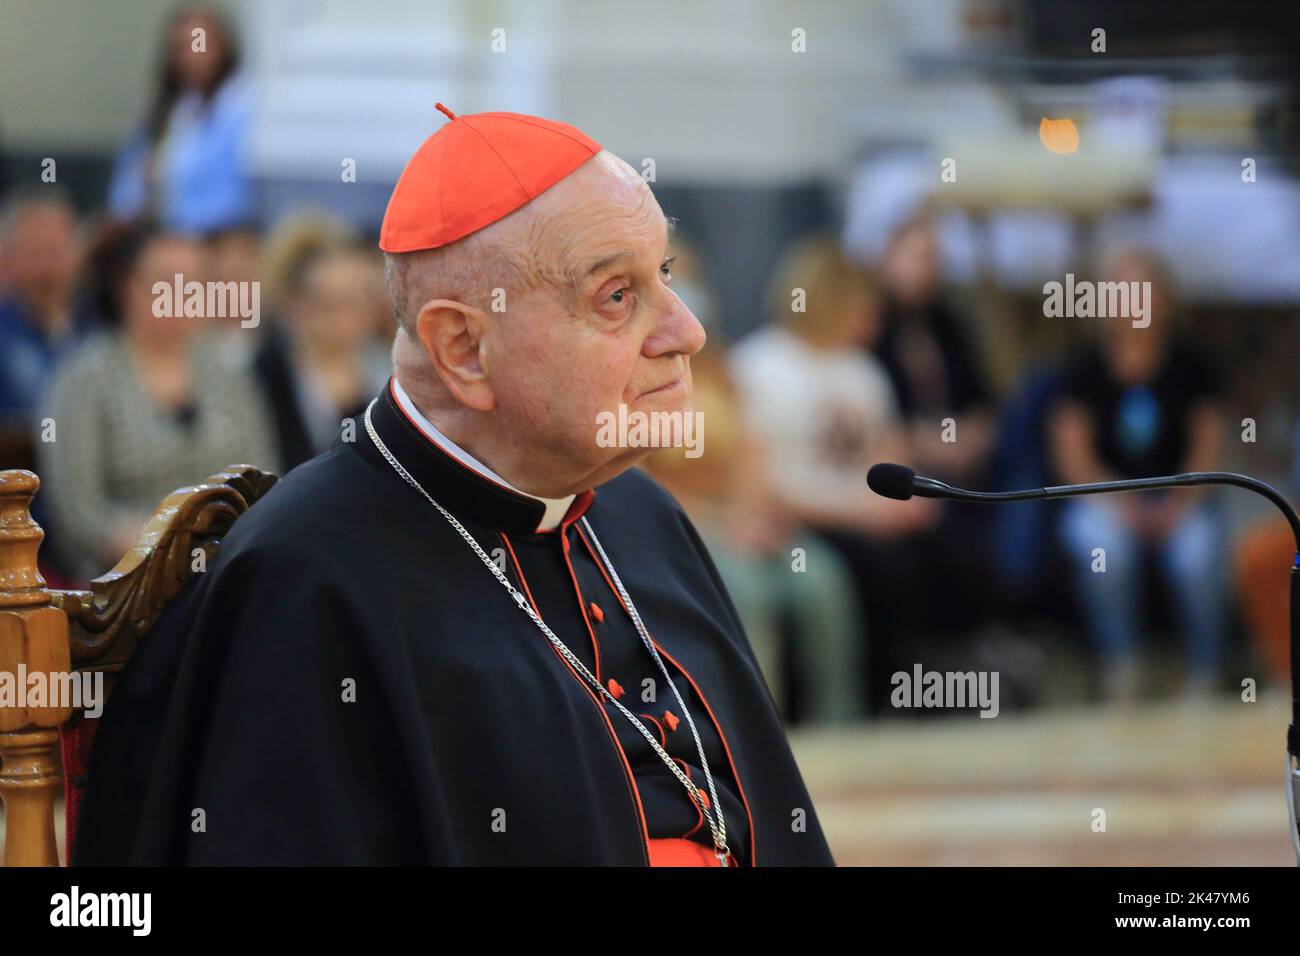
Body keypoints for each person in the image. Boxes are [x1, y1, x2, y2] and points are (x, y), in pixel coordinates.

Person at [73, 105, 835, 867]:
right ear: (464, 348)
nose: (687, 331)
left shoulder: (643, 515)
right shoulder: (304, 582)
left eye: (663, 274)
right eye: (617, 296)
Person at [34, 225, 279, 582]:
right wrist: (165, 547)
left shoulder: (230, 374)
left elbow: (265, 480)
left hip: (227, 572)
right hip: (119, 588)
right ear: (127, 287)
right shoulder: (84, 378)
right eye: (167, 281)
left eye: (197, 282)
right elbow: (78, 516)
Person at [1049, 247, 1227, 701]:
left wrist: (1177, 503)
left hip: (1180, 497)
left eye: (1142, 290)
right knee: (1102, 549)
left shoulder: (1193, 364)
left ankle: (1205, 667)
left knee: (1198, 554)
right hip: (1107, 498)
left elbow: (1208, 447)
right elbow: (1073, 456)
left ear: (1165, 298)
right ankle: (1121, 661)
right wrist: (1120, 502)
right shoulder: (1083, 367)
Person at [254, 214, 391, 470]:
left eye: (355, 301)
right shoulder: (266, 377)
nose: (344, 319)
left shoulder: (387, 375)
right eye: (328, 304)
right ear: (294, 304)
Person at [106, 3, 253, 234]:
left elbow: (236, 196)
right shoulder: (161, 116)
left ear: (222, 48)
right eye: (183, 48)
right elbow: (124, 193)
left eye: (201, 44)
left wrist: (169, 176)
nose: (193, 57)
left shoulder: (240, 111)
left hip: (211, 236)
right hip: (149, 233)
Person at [0, 190, 88, 431]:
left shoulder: (103, 328)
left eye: (55, 251)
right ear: (8, 259)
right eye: (34, 252)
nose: (47, 268)